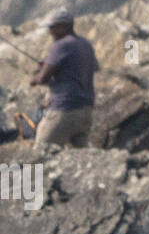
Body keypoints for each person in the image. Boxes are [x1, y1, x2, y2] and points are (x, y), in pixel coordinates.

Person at [30, 8, 98, 147]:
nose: (50, 31)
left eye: (53, 27)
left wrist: (34, 78)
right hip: (86, 111)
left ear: (65, 26)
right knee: (82, 160)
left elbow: (42, 78)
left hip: (64, 110)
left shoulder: (61, 45)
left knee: (41, 152)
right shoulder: (85, 44)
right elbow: (94, 67)